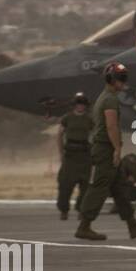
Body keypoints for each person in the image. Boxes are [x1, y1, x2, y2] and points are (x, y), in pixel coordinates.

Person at [75, 65, 136, 241]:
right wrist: (118, 149)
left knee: (119, 187)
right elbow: (111, 126)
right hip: (105, 149)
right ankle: (84, 225)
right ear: (112, 79)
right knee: (100, 186)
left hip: (105, 148)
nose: (124, 82)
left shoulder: (105, 97)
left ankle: (133, 225)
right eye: (121, 78)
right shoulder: (110, 100)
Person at [56, 92, 92, 221]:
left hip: (85, 155)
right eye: (78, 104)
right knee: (65, 184)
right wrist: (61, 153)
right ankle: (64, 210)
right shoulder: (67, 118)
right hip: (70, 155)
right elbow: (59, 135)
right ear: (74, 105)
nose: (80, 106)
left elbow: (95, 134)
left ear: (85, 106)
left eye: (82, 104)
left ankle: (81, 210)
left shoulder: (89, 119)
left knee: (85, 185)